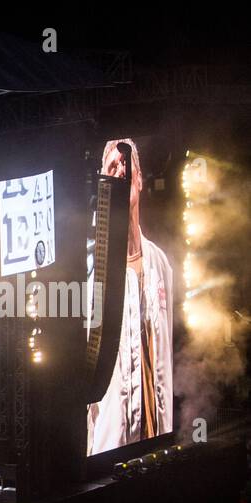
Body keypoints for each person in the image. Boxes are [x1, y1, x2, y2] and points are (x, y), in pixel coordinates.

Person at [87, 138, 174, 455]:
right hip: (111, 446)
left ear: (139, 178)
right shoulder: (89, 272)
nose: (121, 170)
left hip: (158, 440)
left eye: (128, 165)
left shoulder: (160, 263)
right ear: (103, 183)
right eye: (113, 166)